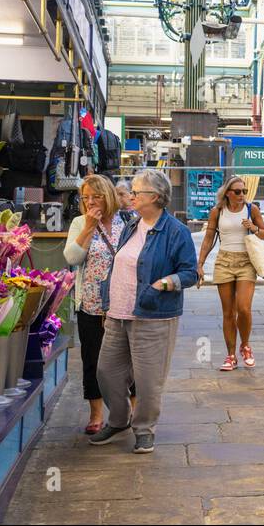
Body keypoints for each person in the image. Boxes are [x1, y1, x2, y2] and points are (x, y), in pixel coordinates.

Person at [89, 169, 197, 455]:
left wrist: (164, 283)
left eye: (138, 192)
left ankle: (144, 429)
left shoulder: (176, 231)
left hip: (153, 315)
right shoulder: (131, 226)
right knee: (106, 372)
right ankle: (119, 419)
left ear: (156, 197)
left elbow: (190, 273)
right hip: (117, 313)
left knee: (149, 380)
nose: (132, 196)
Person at [63, 175, 127, 434]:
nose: (90, 201)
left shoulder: (126, 223)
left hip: (122, 303)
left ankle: (129, 410)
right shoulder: (80, 223)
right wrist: (89, 227)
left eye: (96, 196)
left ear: (108, 196)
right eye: (85, 197)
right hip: (90, 303)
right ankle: (97, 414)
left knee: (127, 359)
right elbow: (72, 257)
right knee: (93, 359)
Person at [197, 176, 264, 370]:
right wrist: (200, 264)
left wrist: (253, 227)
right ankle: (230, 355)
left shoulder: (251, 209)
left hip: (246, 261)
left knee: (244, 308)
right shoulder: (217, 211)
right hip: (224, 262)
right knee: (228, 312)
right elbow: (208, 239)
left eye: (244, 191)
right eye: (237, 191)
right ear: (227, 193)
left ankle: (245, 346)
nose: (242, 195)